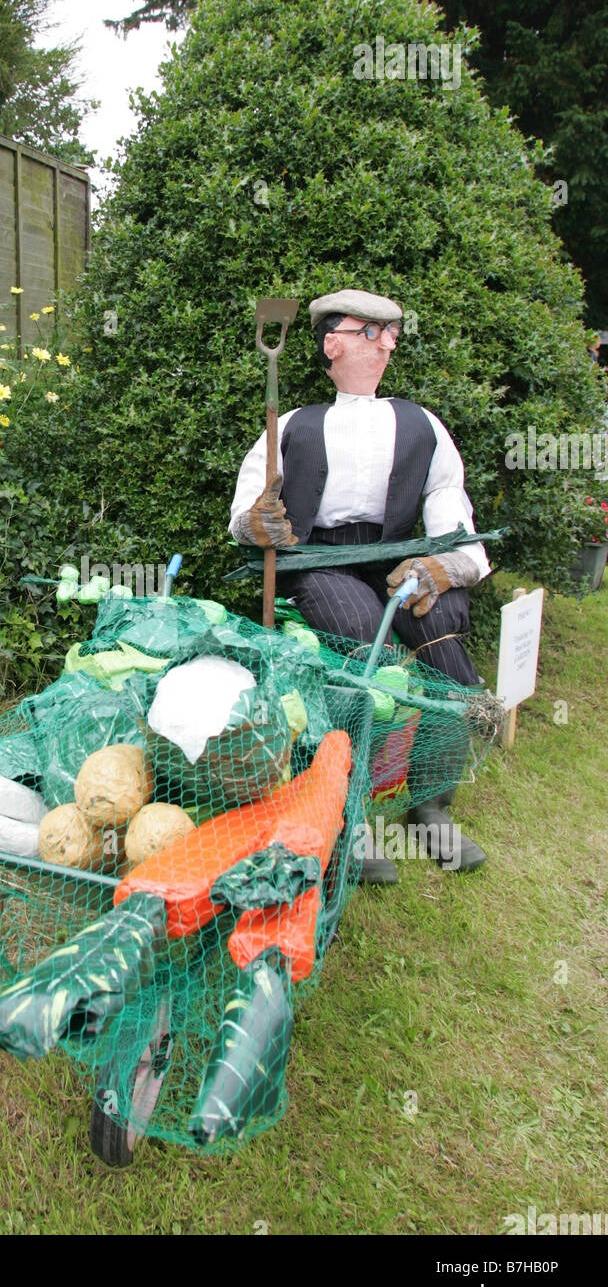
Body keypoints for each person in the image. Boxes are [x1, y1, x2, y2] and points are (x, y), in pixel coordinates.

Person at [229, 288, 489, 882]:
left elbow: (451, 505)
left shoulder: (421, 424)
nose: (389, 342)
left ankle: (431, 804)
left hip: (399, 554)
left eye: (391, 333)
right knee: (358, 638)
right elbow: (245, 511)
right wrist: (256, 524)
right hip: (319, 559)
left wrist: (451, 565)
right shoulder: (293, 426)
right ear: (333, 342)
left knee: (441, 624)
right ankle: (351, 809)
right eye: (372, 331)